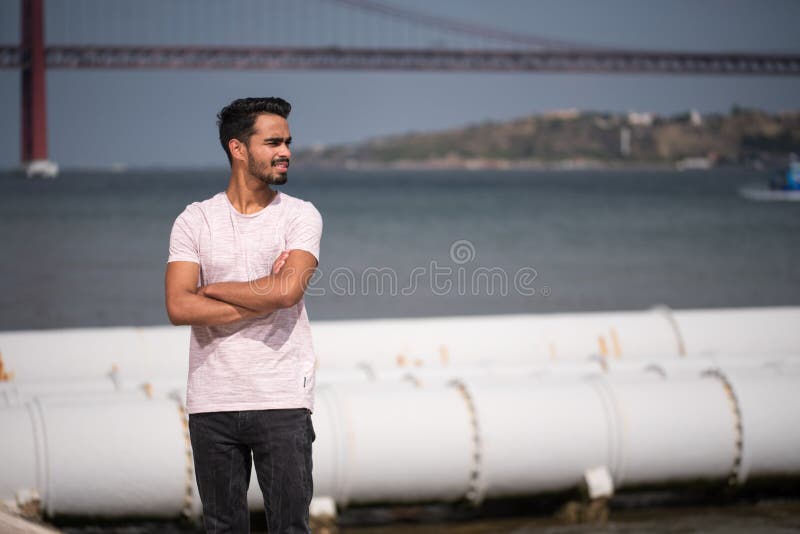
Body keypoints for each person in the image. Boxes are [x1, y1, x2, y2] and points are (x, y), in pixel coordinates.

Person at [164, 97, 322, 533]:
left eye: (288, 141)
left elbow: (288, 290)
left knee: (290, 527)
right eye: (273, 142)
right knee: (222, 528)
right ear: (238, 148)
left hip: (282, 399)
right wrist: (261, 294)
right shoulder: (194, 220)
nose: (286, 151)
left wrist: (210, 289)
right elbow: (179, 305)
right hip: (212, 400)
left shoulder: (300, 216)